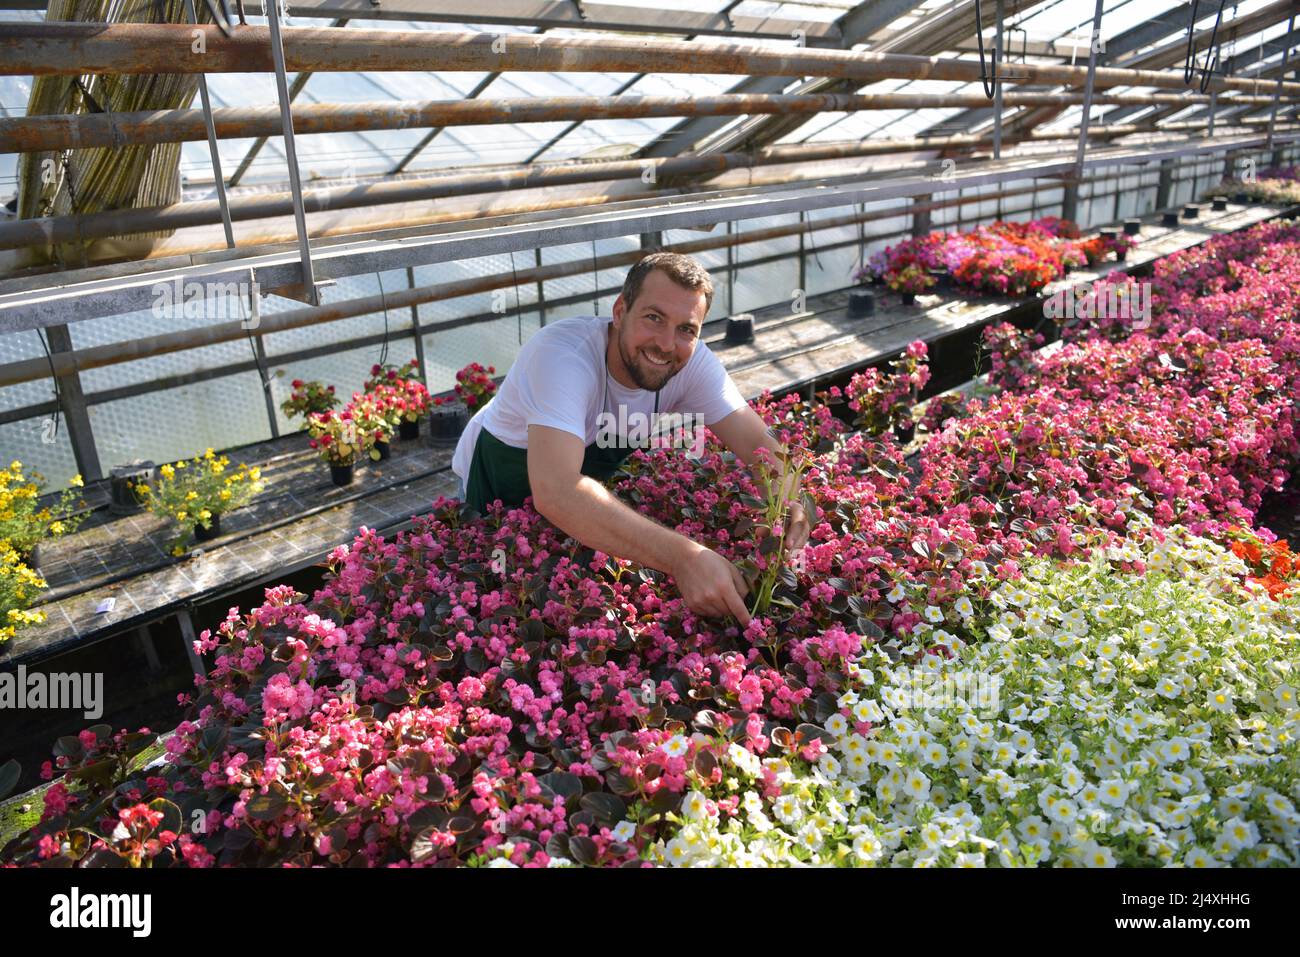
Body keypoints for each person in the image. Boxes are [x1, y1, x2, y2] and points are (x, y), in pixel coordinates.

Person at [451, 252, 811, 626]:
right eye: (653, 318)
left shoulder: (691, 363)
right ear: (620, 310)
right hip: (499, 477)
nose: (666, 344)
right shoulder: (563, 356)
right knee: (501, 599)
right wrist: (685, 557)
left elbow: (766, 451)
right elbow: (557, 491)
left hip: (579, 487)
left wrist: (789, 503)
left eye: (686, 328)